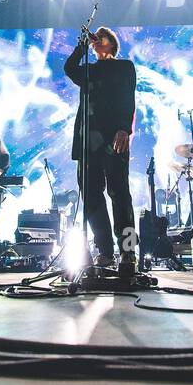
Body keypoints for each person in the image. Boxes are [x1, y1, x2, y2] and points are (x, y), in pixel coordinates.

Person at [64, 25, 137, 274]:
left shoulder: (124, 66)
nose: (96, 40)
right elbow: (69, 69)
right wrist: (82, 45)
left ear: (112, 43)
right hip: (88, 142)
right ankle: (105, 252)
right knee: (92, 198)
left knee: (120, 195)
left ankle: (128, 252)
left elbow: (128, 99)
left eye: (100, 37)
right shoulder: (89, 72)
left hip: (114, 139)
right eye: (95, 38)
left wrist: (124, 128)